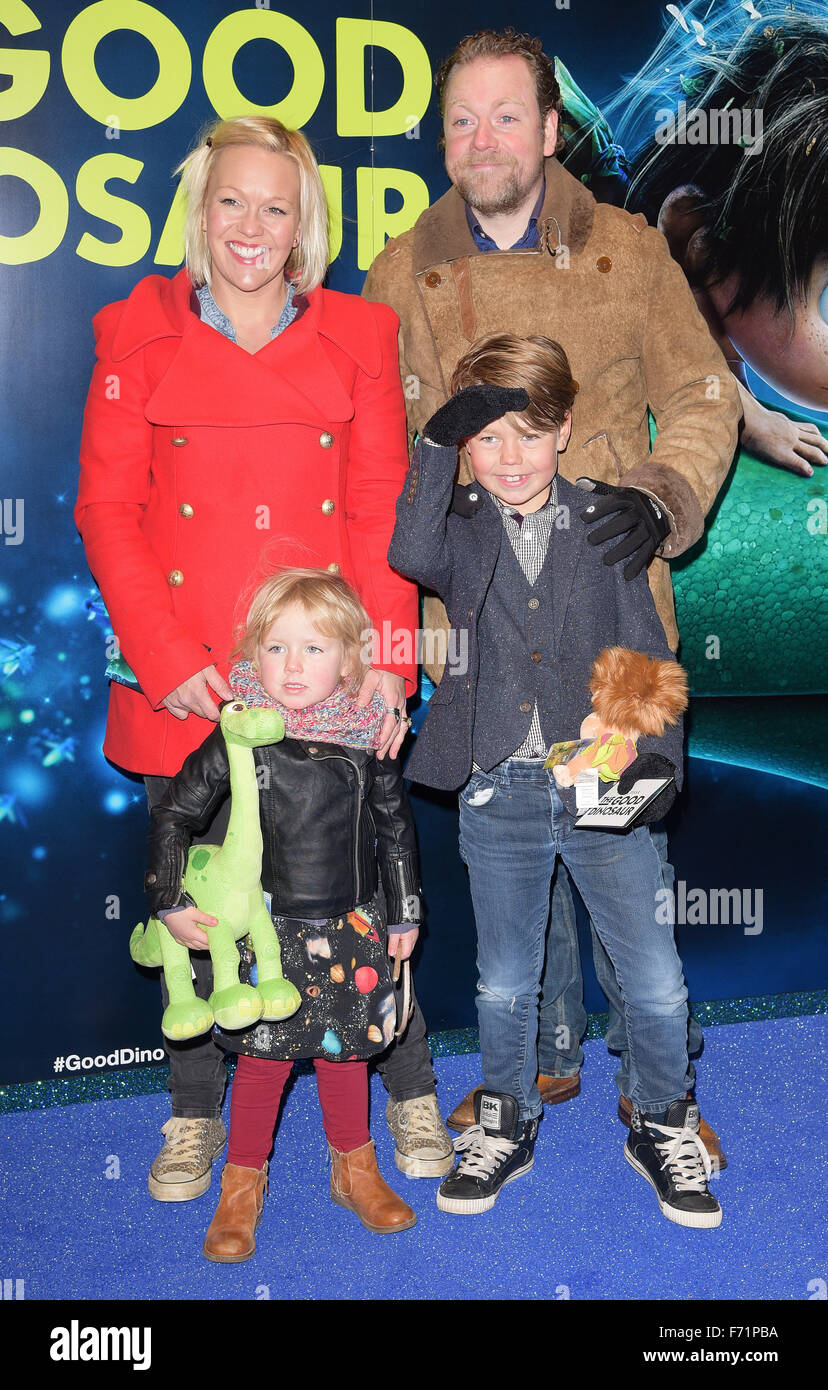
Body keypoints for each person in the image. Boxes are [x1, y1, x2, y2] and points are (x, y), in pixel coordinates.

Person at [364, 29, 740, 1158]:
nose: (484, 140)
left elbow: (704, 389)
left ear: (548, 127)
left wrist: (667, 492)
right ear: (445, 137)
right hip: (478, 614)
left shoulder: (628, 248)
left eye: (506, 116)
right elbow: (382, 447)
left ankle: (655, 1083)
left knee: (622, 848)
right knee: (517, 849)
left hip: (615, 601)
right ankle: (544, 1059)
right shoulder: (399, 269)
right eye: (463, 120)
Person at [75, 115, 451, 1205]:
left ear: (305, 227)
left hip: (323, 680)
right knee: (200, 914)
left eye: (274, 206)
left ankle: (409, 1084)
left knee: (364, 900)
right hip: (190, 678)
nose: (251, 226)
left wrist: (388, 662)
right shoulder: (131, 333)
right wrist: (165, 656)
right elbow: (107, 509)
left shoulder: (360, 336)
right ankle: (195, 1115)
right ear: (200, 214)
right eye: (231, 201)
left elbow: (386, 502)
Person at [389, 335, 722, 1227]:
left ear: (565, 430)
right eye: (486, 439)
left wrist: (640, 750)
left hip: (600, 779)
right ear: (466, 445)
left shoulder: (605, 522)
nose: (509, 459)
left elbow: (648, 659)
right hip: (498, 786)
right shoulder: (454, 526)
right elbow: (407, 549)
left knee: (652, 977)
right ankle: (506, 1120)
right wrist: (434, 443)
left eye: (528, 436)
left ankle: (662, 1118)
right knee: (505, 980)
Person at [144, 569, 423, 1257]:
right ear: (252, 654)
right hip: (269, 934)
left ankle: (355, 1168)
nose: (293, 666)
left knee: (346, 1055)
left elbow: (395, 830)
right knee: (263, 1062)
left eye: (315, 648)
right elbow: (174, 814)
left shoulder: (369, 736)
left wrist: (404, 912)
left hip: (353, 926)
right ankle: (242, 1184)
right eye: (276, 649)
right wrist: (168, 900)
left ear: (352, 660)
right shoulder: (239, 734)